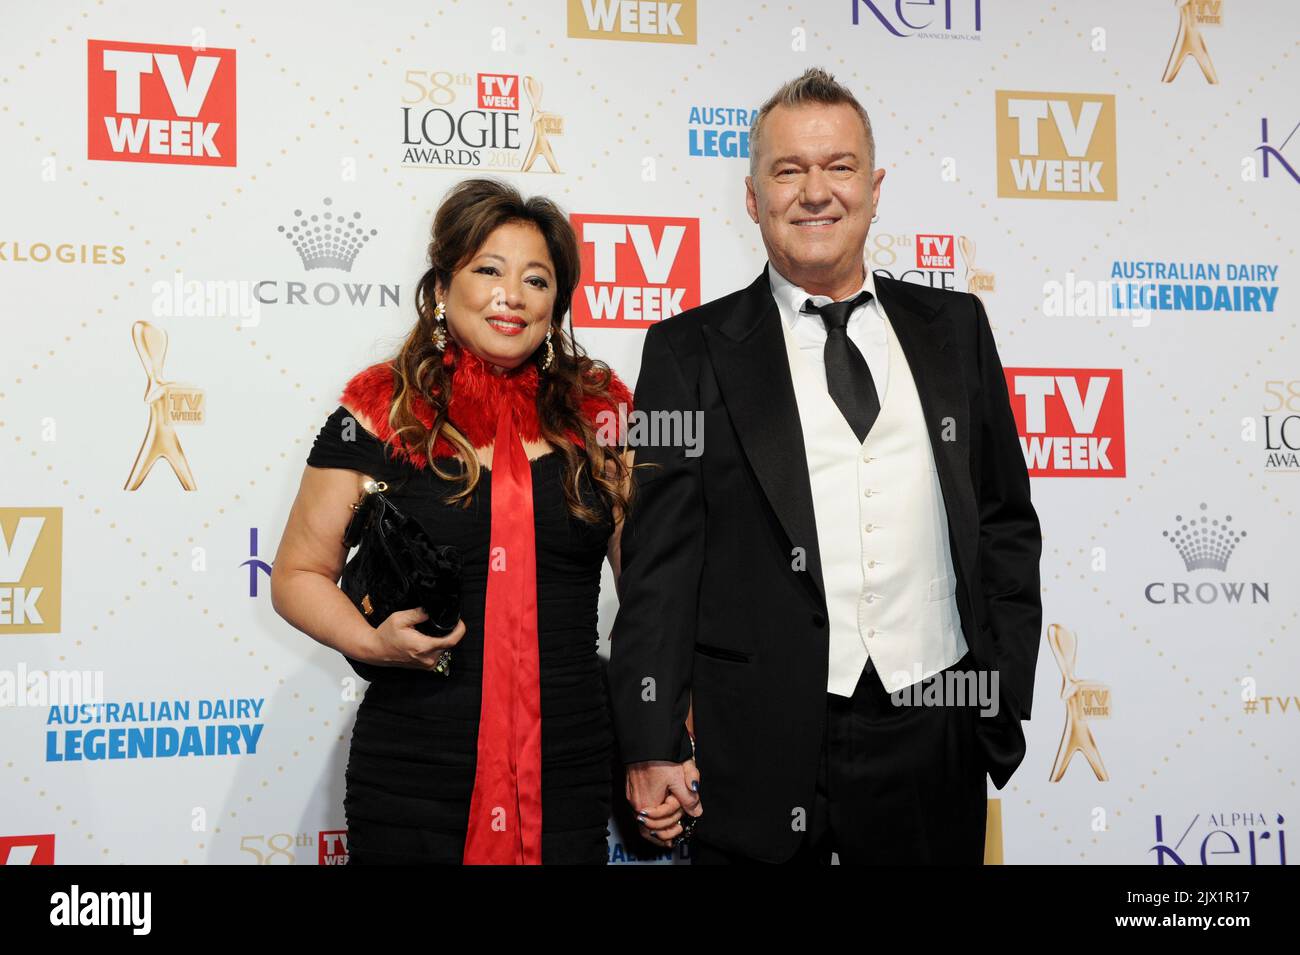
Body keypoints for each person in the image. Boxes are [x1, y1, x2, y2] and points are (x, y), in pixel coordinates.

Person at [609, 68, 1043, 863]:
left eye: (839, 167)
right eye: (788, 170)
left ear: (874, 188)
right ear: (752, 197)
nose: (816, 192)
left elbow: (1006, 517)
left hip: (935, 726)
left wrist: (999, 688)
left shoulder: (956, 326)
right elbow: (658, 569)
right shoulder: (688, 351)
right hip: (756, 741)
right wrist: (650, 741)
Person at [270, 178, 635, 864]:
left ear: (556, 302)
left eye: (537, 279)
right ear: (442, 286)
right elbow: (296, 573)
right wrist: (371, 642)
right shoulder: (380, 411)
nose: (513, 294)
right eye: (488, 270)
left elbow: (651, 587)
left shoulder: (602, 416)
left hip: (567, 763)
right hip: (415, 766)